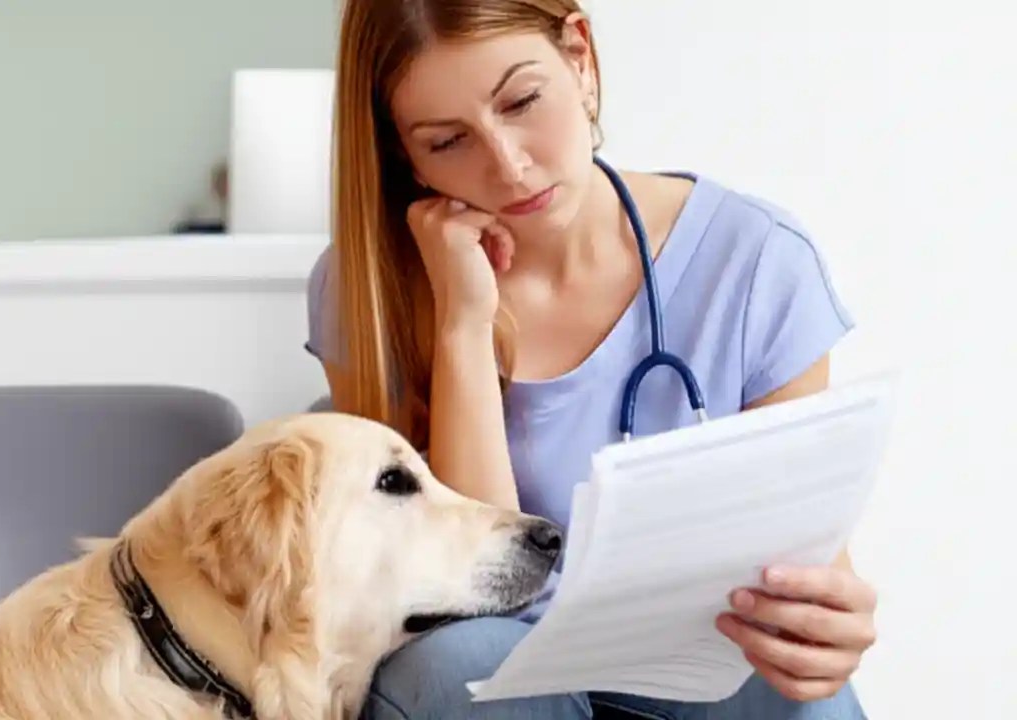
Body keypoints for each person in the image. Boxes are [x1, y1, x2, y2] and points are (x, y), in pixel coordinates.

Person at [304, 1, 877, 718]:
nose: (508, 166)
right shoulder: (371, 288)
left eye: (522, 101)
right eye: (448, 141)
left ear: (580, 57)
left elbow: (809, 552)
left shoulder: (755, 261)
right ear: (403, 156)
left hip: (688, 674)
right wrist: (462, 325)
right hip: (491, 686)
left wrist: (824, 625)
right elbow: (460, 589)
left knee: (796, 693)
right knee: (465, 658)